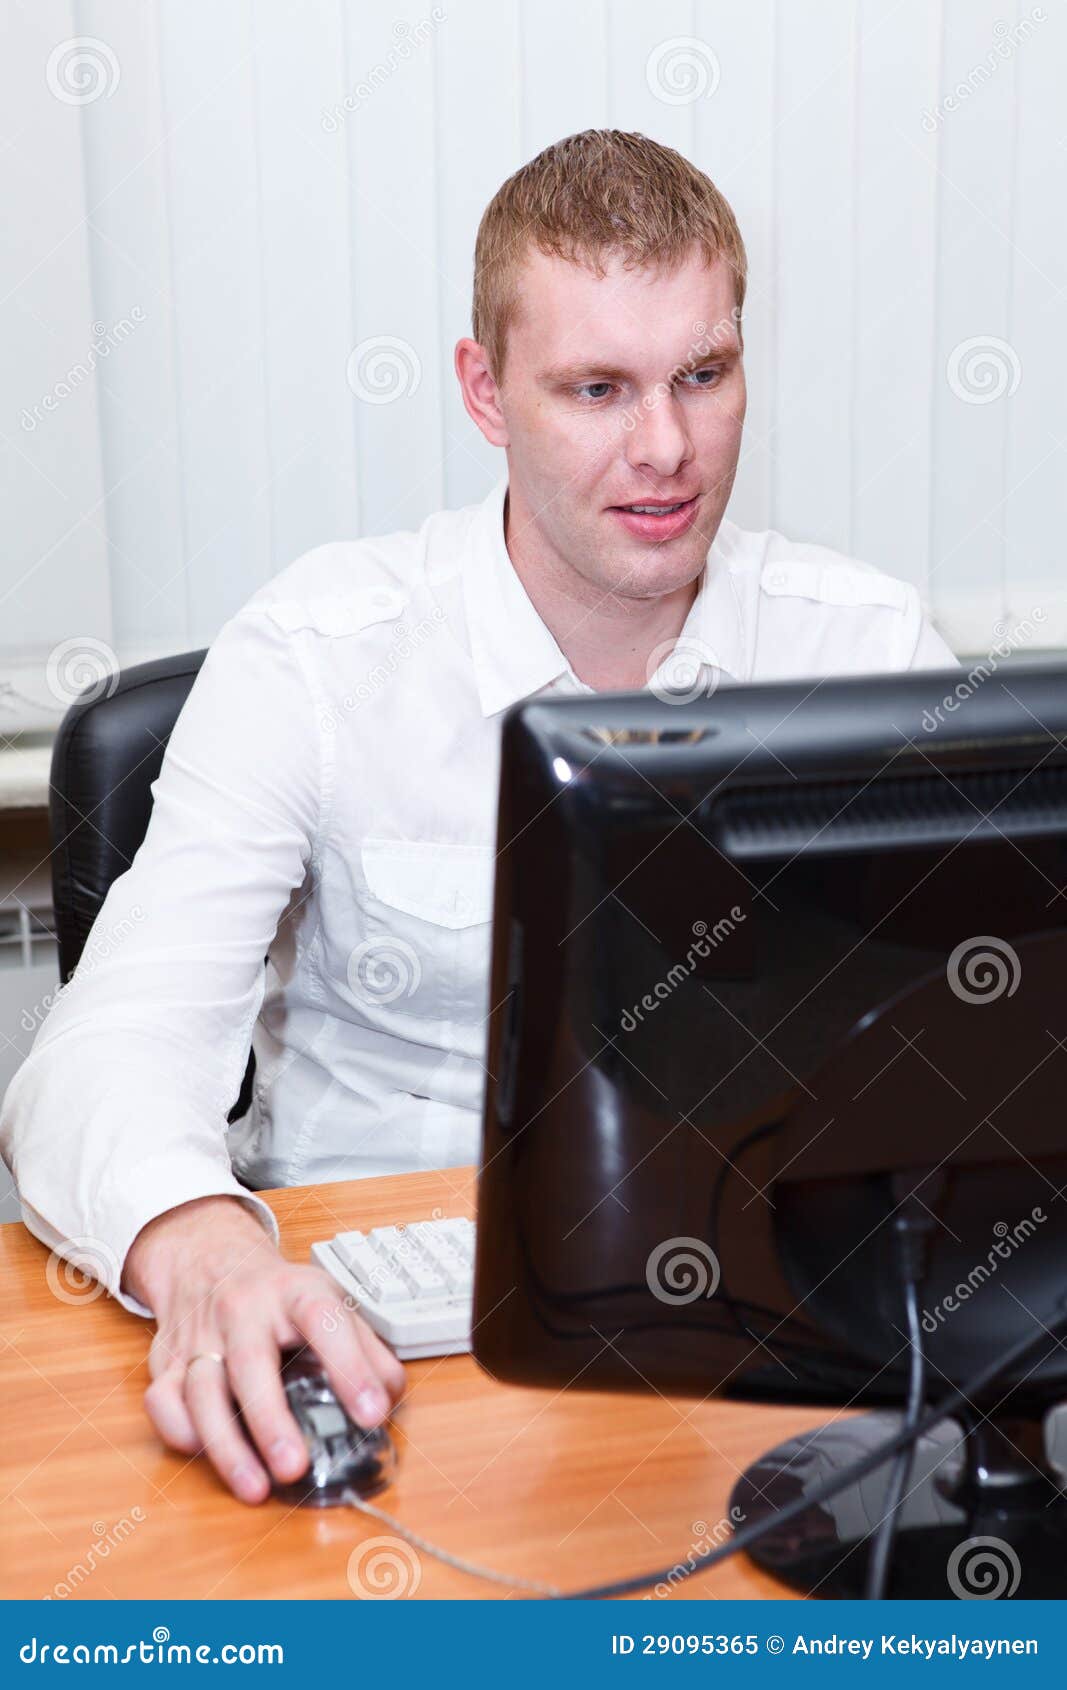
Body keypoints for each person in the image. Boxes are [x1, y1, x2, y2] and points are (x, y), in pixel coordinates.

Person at [0, 130, 958, 1504]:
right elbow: (100, 1054)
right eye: (595, 388)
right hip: (383, 1360)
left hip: (759, 1345)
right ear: (485, 392)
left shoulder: (866, 651)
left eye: (705, 372)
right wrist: (212, 1258)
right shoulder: (320, 653)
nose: (666, 447)